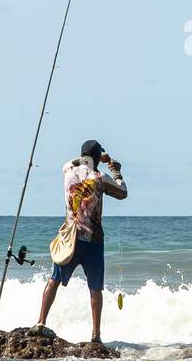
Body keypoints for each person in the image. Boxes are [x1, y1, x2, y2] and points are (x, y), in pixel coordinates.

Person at [35, 139, 127, 344]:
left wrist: (92, 158)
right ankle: (95, 335)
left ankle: (40, 322)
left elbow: (72, 162)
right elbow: (123, 193)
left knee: (54, 279)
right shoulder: (100, 177)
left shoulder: (68, 170)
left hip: (70, 237)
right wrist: (116, 171)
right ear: (96, 158)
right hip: (93, 240)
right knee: (95, 288)